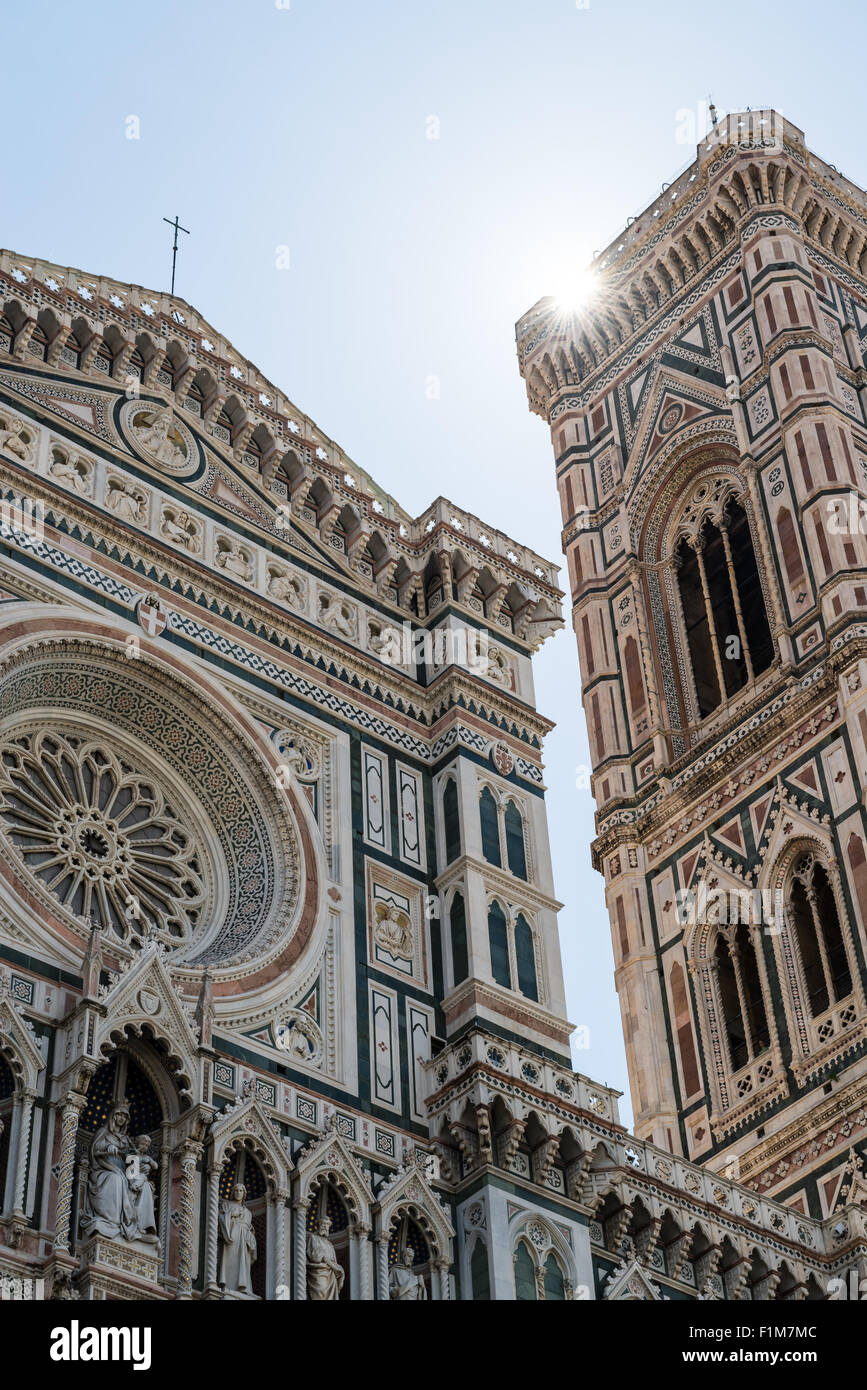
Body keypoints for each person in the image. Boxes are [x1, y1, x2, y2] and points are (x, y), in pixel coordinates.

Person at [218, 1183, 257, 1293]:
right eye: (236, 1190)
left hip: (244, 1239)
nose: (238, 1193)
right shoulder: (227, 1205)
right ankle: (229, 1285)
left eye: (240, 1191)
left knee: (243, 1263)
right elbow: (219, 1219)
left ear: (244, 1194)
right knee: (230, 1260)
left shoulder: (248, 1213)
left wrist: (251, 1235)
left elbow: (250, 1228)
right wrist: (231, 1215)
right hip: (232, 1236)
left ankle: (243, 1287)